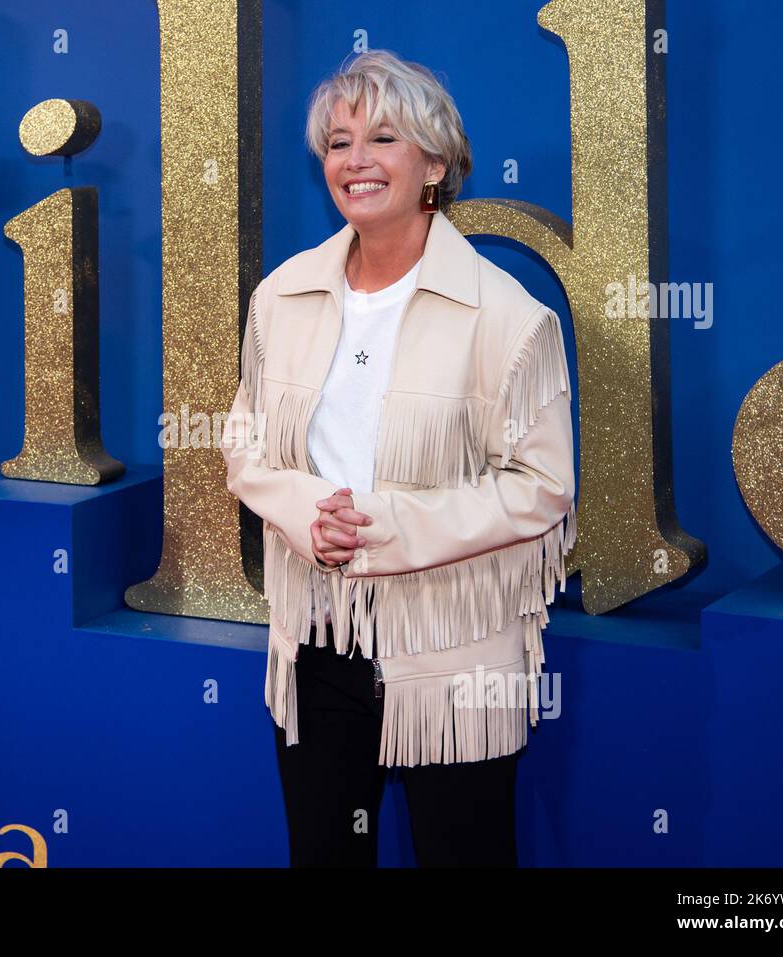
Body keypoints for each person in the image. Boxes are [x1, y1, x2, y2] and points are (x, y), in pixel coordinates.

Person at [220, 49, 577, 867]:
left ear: (435, 164)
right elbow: (241, 441)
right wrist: (308, 512)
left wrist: (386, 525)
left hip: (455, 658)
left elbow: (542, 486)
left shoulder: (507, 316)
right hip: (316, 641)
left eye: (383, 137)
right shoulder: (282, 294)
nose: (356, 161)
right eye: (339, 142)